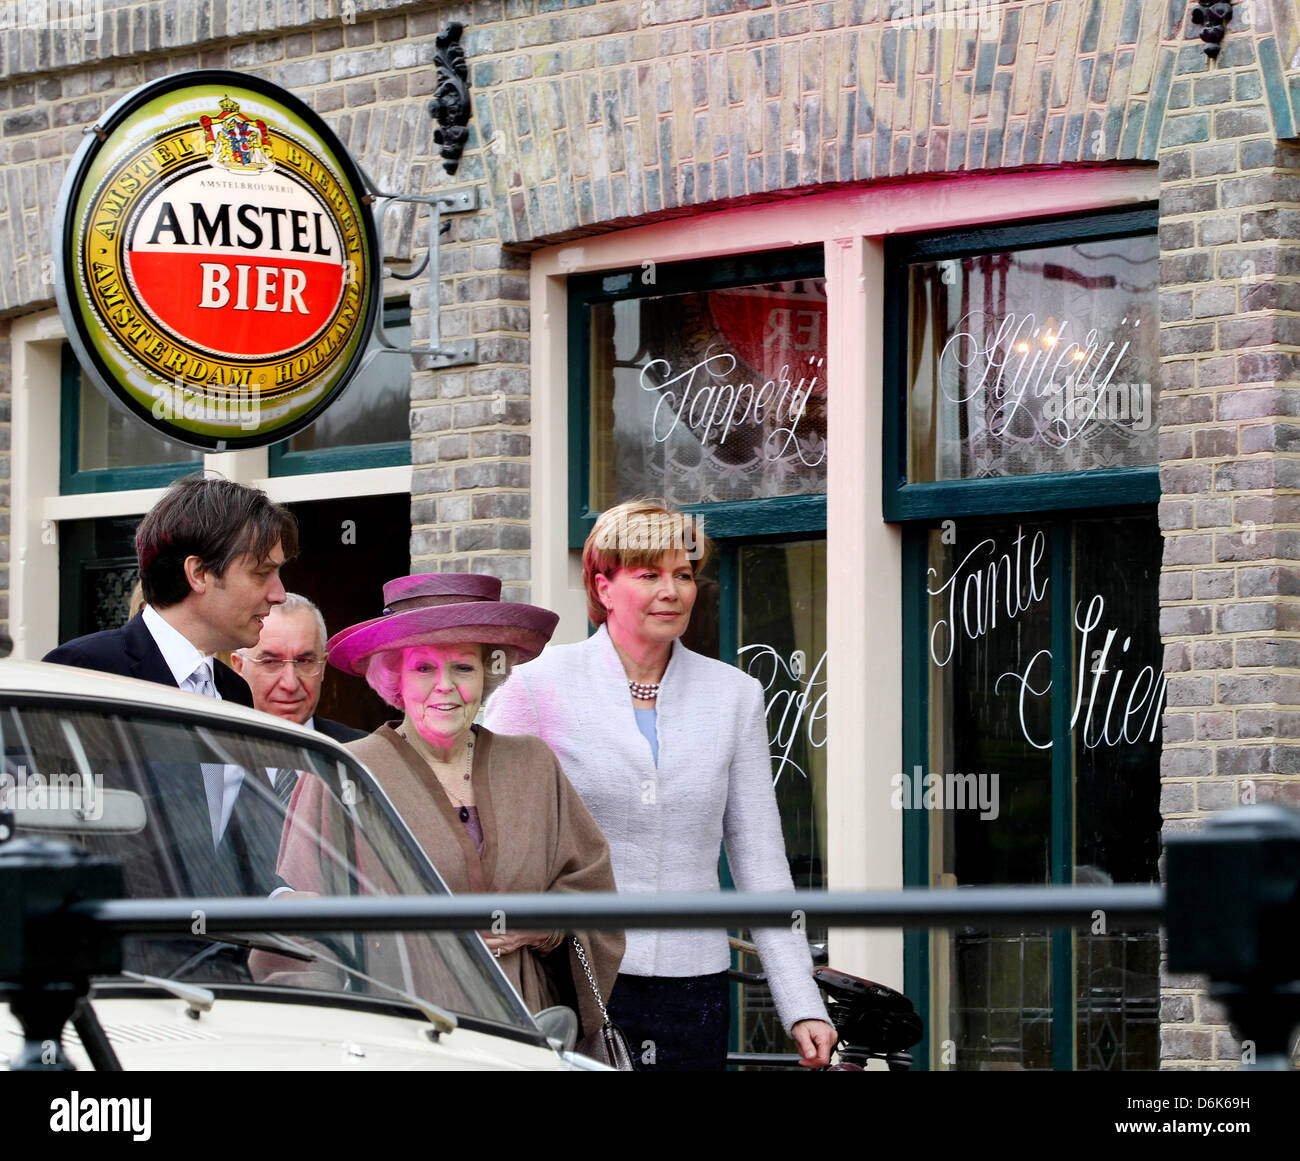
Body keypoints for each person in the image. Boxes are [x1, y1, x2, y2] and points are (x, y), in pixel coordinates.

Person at [485, 498, 838, 1070]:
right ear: (602, 587)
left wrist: (802, 1003)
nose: (671, 591)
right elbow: (480, 817)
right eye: (649, 574)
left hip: (693, 987)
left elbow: (762, 863)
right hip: (575, 975)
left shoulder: (735, 696)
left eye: (683, 574)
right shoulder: (539, 685)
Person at [280, 572, 623, 1045]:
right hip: (397, 1041)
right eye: (424, 668)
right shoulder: (343, 774)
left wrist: (545, 926)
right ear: (395, 675)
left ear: (488, 673)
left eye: (463, 667)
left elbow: (594, 895)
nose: (445, 686)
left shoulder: (533, 765)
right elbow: (299, 931)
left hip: (527, 1038)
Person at [232, 594, 366, 743]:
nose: (290, 684)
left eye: (304, 661)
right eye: (270, 662)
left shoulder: (362, 754)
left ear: (323, 667)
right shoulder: (211, 753)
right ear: (239, 667)